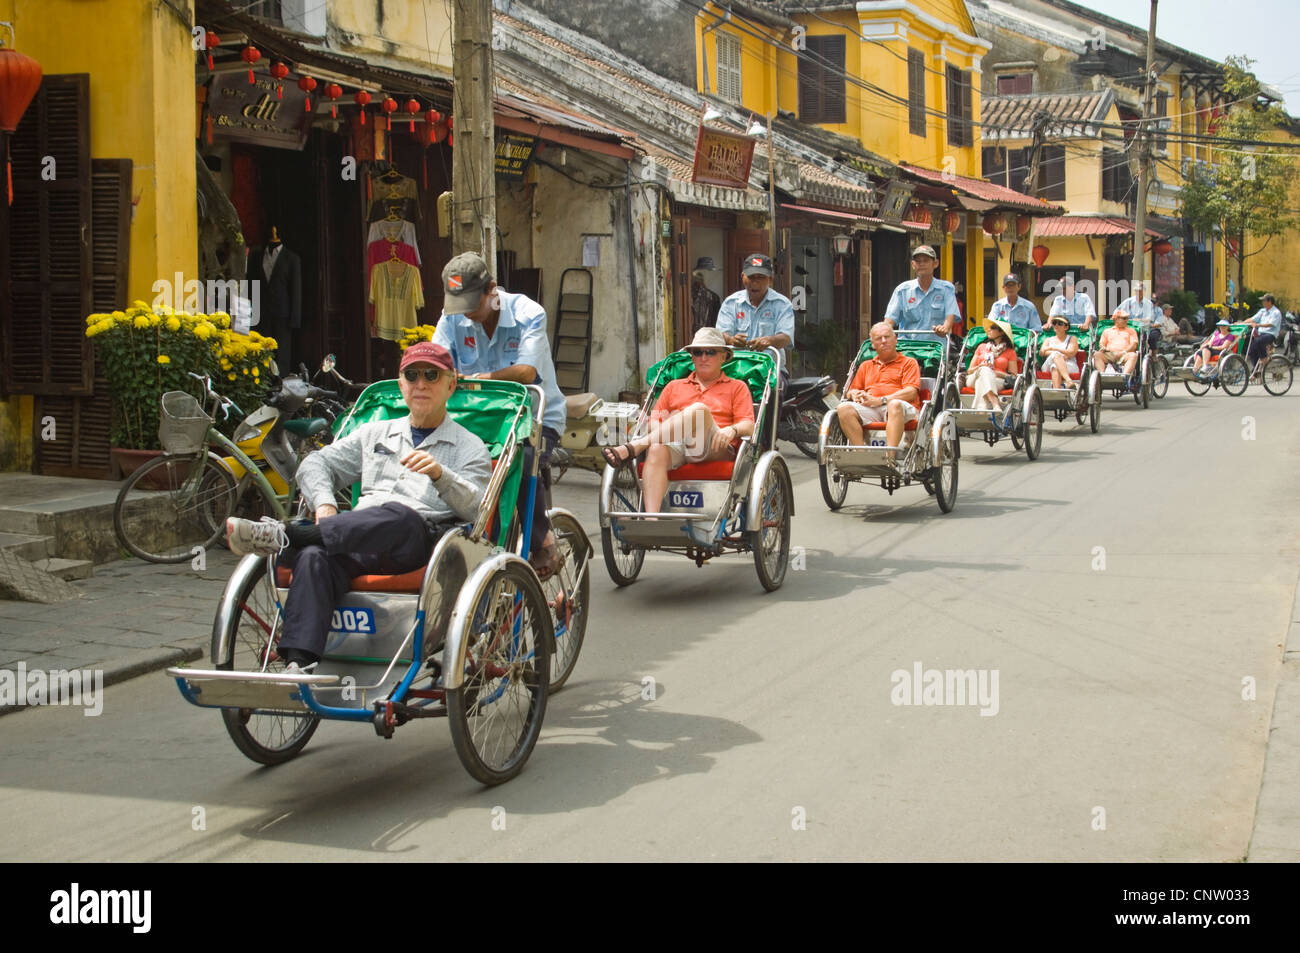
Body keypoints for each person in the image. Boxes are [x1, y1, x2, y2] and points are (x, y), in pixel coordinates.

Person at [223, 342, 492, 673]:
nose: (420, 384)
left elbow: (479, 509)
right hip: (358, 537)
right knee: (313, 557)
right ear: (401, 384)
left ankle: (291, 535)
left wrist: (440, 475)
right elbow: (315, 464)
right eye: (412, 375)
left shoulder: (470, 446)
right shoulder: (376, 433)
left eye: (431, 375)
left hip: (420, 542)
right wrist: (324, 504)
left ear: (450, 384)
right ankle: (298, 661)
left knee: (398, 515)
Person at [432, 252, 565, 577]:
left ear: (492, 290)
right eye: (458, 305)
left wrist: (475, 380)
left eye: (471, 305)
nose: (465, 314)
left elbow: (525, 371)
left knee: (517, 457)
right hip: (475, 422)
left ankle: (543, 538)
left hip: (534, 420)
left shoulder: (528, 314)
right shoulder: (451, 318)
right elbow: (438, 360)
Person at [601, 328, 754, 513]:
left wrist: (733, 430)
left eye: (711, 352)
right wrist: (678, 426)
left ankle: (635, 446)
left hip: (715, 445)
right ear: (692, 357)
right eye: (698, 352)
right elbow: (652, 423)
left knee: (699, 410)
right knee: (656, 448)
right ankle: (651, 520)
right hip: (679, 446)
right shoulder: (674, 386)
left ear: (723, 357)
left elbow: (749, 425)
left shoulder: (737, 387)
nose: (703, 357)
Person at [837, 322, 922, 457]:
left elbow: (911, 392)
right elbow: (851, 390)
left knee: (894, 405)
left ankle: (890, 457)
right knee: (843, 408)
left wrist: (880, 400)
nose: (883, 341)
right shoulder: (866, 365)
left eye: (887, 337)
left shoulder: (909, 362)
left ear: (895, 340)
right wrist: (855, 394)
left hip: (901, 409)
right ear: (873, 344)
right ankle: (861, 456)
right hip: (872, 408)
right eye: (878, 338)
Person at [716, 253, 795, 353]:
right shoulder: (731, 303)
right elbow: (720, 334)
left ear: (770, 279)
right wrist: (730, 340)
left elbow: (785, 338)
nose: (755, 282)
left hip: (770, 366)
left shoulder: (782, 304)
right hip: (737, 365)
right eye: (751, 277)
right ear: (742, 277)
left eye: (761, 277)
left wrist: (770, 340)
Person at [883, 245, 960, 335]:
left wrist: (944, 328)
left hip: (936, 346)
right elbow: (889, 320)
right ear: (913, 265)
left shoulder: (946, 289)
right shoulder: (902, 290)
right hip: (908, 346)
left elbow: (950, 314)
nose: (921, 264)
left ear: (935, 264)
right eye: (918, 261)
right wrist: (882, 333)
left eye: (926, 261)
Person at [965, 317, 1020, 412]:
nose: (989, 329)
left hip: (998, 380)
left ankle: (981, 412)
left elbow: (1013, 376)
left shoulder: (1010, 352)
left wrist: (996, 373)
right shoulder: (981, 347)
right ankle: (995, 403)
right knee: (984, 370)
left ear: (1002, 332)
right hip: (973, 377)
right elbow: (969, 370)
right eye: (989, 328)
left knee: (981, 382)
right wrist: (980, 366)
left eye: (993, 327)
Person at [1094, 309, 1140, 380]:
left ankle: (1125, 377)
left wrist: (1123, 352)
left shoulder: (1131, 331)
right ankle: (1102, 377)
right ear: (1116, 319)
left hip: (1125, 354)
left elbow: (1134, 345)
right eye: (1124, 318)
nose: (1126, 320)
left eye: (1127, 318)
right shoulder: (1107, 331)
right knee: (1096, 355)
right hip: (1109, 353)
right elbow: (1101, 343)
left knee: (1133, 355)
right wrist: (1103, 347)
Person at [1038, 315, 1080, 390]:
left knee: (1055, 367)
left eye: (1060, 323)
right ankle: (1068, 380)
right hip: (1049, 363)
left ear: (1066, 327)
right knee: (1056, 355)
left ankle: (1056, 393)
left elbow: (1071, 353)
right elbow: (1042, 352)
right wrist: (1059, 354)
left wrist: (1053, 348)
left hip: (1069, 364)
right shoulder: (1048, 339)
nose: (1056, 325)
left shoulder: (1072, 338)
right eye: (1054, 323)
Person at [1244, 293, 1283, 370]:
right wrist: (1241, 322)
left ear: (1269, 302)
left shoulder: (1276, 312)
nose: (1262, 302)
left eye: (1264, 301)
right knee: (1251, 350)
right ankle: (1256, 370)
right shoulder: (1262, 311)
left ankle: (1264, 358)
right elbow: (1252, 319)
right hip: (1260, 334)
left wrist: (1258, 325)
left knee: (1258, 341)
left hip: (1270, 334)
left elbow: (1271, 324)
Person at [1117, 282, 1158, 348]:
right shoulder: (1128, 301)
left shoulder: (1148, 304)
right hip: (1127, 327)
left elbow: (1150, 319)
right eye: (1136, 290)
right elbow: (1116, 312)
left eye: (1140, 291)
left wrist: (1139, 320)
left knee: (1147, 336)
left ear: (1143, 291)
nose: (1138, 292)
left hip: (1142, 329)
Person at [690, 256, 722, 333]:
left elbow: (717, 321)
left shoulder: (714, 297)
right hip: (696, 336)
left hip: (708, 336)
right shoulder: (689, 294)